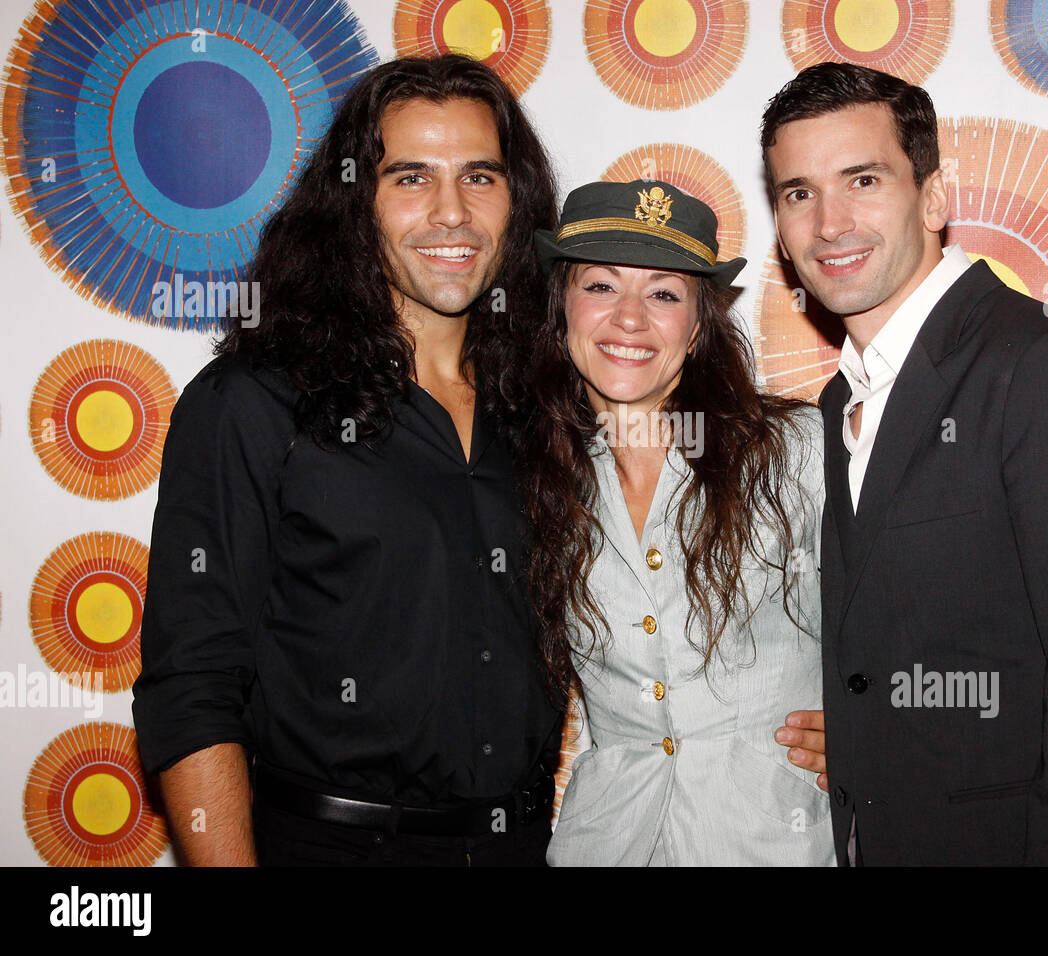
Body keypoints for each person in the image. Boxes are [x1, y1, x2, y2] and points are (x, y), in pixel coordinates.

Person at [132, 55, 563, 866]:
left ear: (519, 200)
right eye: (409, 178)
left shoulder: (546, 407)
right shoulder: (254, 403)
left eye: (479, 176)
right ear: (353, 202)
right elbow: (192, 688)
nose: (451, 213)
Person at [763, 63, 1048, 865]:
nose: (829, 223)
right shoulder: (833, 404)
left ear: (936, 196)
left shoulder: (1047, 365)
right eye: (798, 193)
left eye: (863, 179)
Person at [523, 180, 835, 865]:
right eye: (600, 286)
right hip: (605, 845)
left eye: (664, 293)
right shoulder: (533, 483)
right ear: (560, 312)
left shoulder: (799, 451)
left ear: (697, 326)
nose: (629, 318)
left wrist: (877, 731)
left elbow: (910, 620)